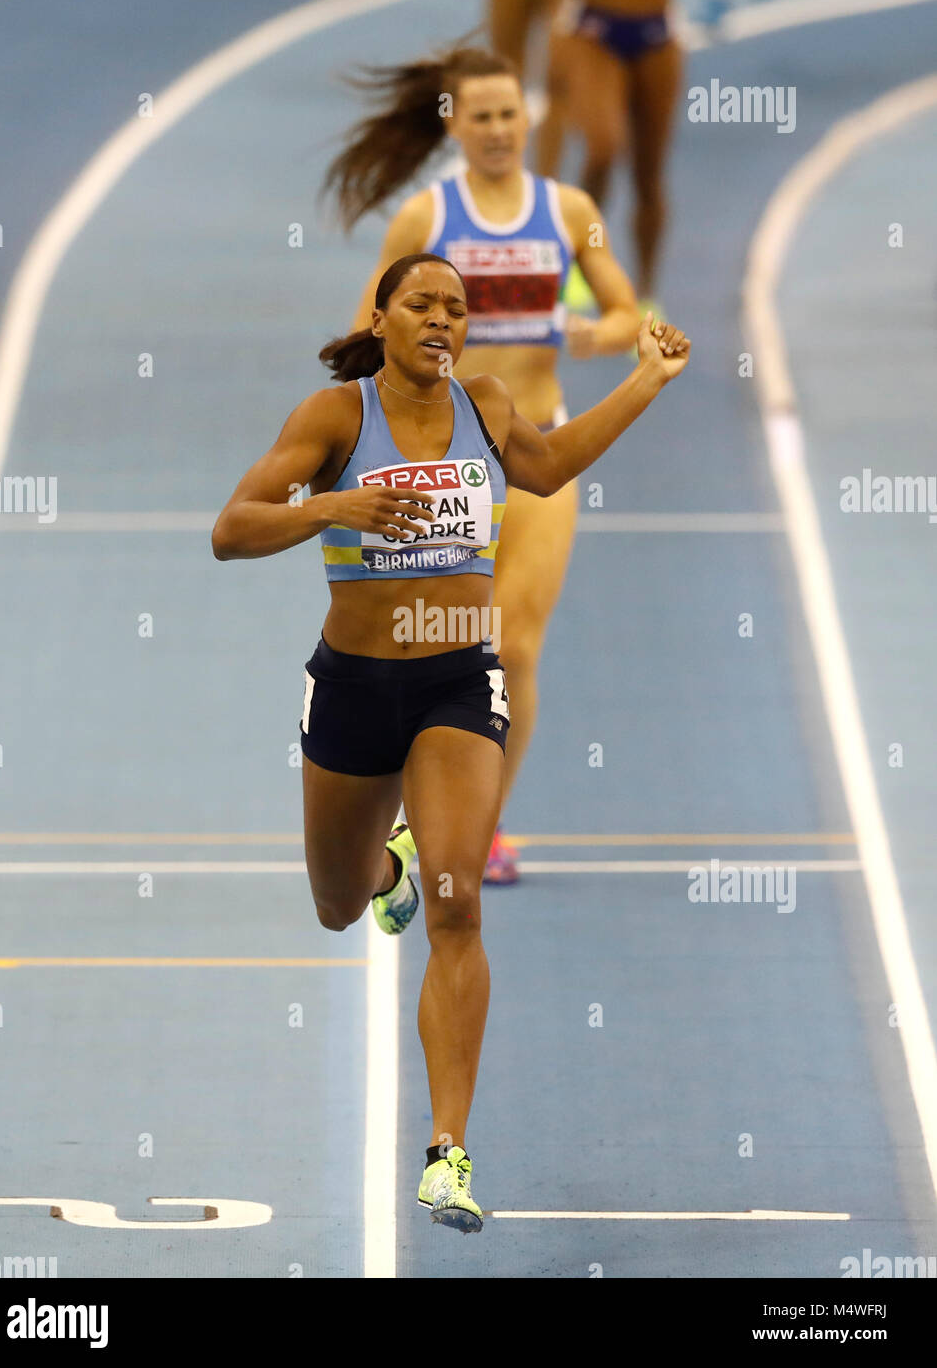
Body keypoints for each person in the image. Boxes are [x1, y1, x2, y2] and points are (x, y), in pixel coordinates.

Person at [211, 253, 689, 1232]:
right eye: (421, 304)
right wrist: (328, 508)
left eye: (456, 309)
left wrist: (645, 376)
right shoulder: (334, 418)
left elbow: (548, 468)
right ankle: (380, 873)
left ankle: (446, 1152)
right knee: (337, 908)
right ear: (380, 318)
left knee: (458, 901)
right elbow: (230, 529)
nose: (442, 320)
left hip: (456, 682)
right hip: (353, 689)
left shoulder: (485, 403)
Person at [322, 43, 641, 883]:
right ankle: (403, 806)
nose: (498, 129)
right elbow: (369, 331)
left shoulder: (568, 211)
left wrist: (581, 331)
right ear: (453, 124)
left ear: (527, 118)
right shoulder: (425, 221)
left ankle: (480, 827)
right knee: (433, 640)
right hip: (442, 467)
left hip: (532, 447)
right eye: (482, 116)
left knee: (516, 650)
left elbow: (624, 313)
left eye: (510, 114)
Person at [544, 0, 682, 306]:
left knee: (648, 175)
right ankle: (579, 261)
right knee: (603, 148)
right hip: (595, 30)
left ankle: (646, 297)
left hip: (656, 31)